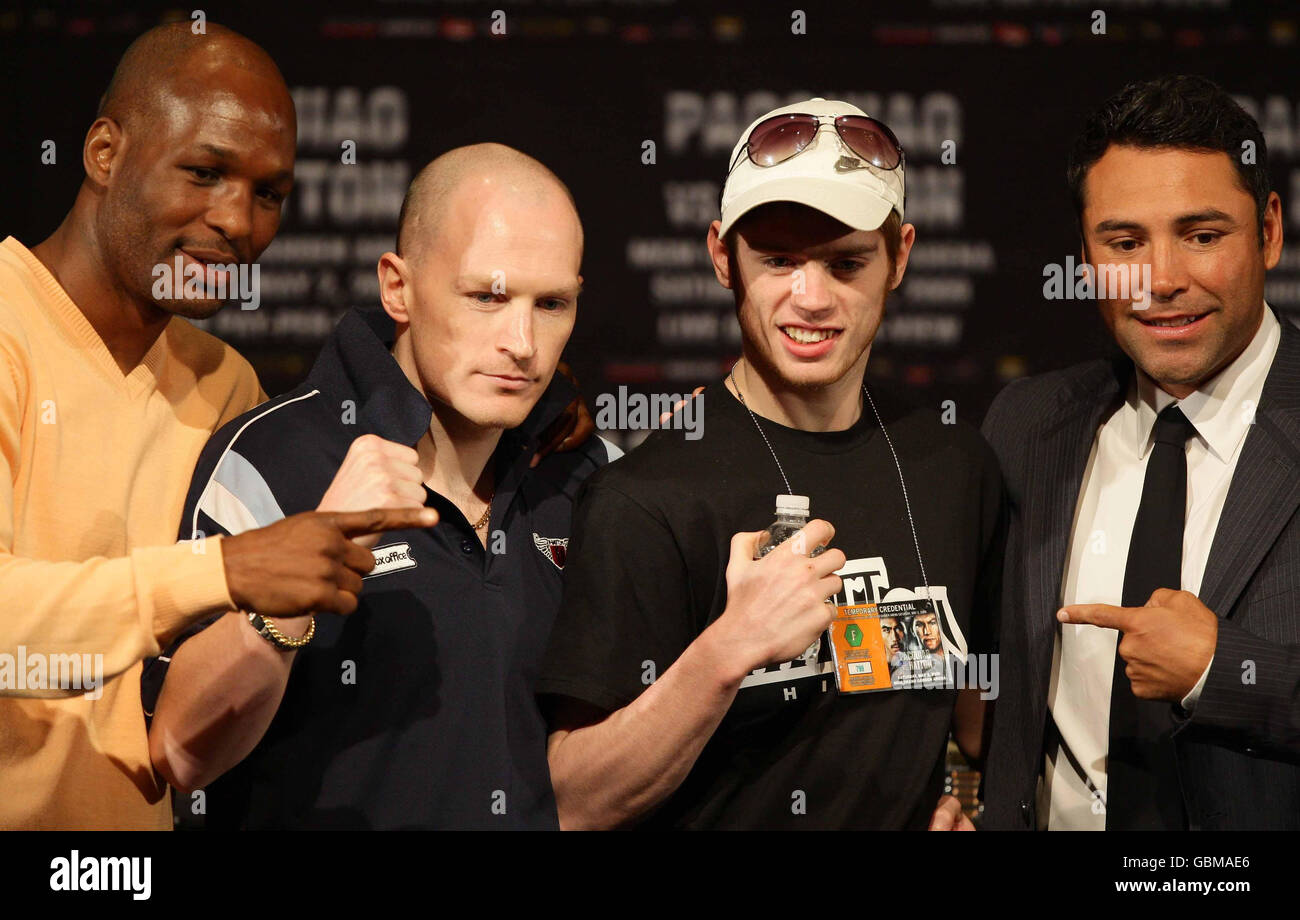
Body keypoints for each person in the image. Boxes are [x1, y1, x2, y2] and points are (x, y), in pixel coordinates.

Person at [0, 22, 434, 830]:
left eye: (268, 194)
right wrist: (223, 568)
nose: (239, 221)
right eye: (204, 172)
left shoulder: (224, 381)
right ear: (103, 154)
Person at [537, 99, 1004, 830]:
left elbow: (979, 718)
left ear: (901, 257)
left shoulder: (956, 465)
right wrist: (726, 651)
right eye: (778, 260)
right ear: (723, 256)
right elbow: (570, 800)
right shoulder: (647, 496)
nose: (810, 298)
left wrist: (965, 798)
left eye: (847, 262)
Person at [145, 143, 614, 829]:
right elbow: (182, 755)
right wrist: (305, 569)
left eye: (552, 303)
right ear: (398, 287)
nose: (523, 341)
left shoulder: (585, 469)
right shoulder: (272, 461)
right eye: (487, 296)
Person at [981, 75, 1300, 831]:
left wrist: (1225, 672)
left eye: (1202, 235)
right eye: (1125, 243)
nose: (1161, 281)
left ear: (1269, 232)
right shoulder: (1027, 426)